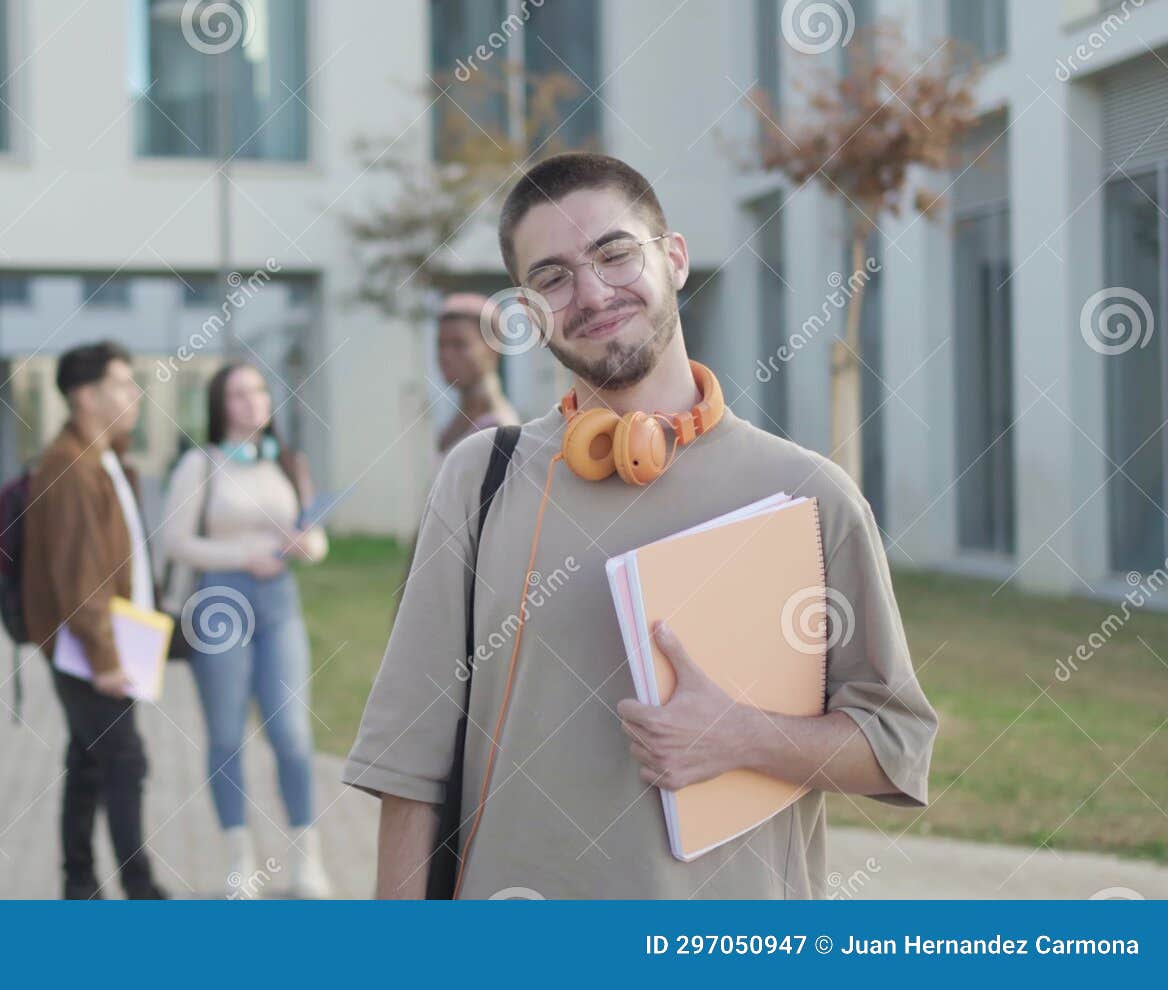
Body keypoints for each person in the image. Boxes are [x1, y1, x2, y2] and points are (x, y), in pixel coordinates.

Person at [344, 152, 939, 899]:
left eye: (614, 253)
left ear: (676, 258)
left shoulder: (807, 495)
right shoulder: (479, 478)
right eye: (553, 277)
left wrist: (744, 737)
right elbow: (410, 763)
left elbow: (896, 745)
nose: (591, 292)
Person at [160, 361, 333, 898]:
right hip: (219, 603)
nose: (252, 401)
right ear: (220, 405)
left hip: (279, 603)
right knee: (227, 735)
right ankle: (239, 861)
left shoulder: (287, 462)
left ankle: (308, 859)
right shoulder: (200, 465)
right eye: (238, 394)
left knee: (292, 735)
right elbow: (174, 541)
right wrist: (243, 552)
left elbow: (317, 537)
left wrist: (307, 545)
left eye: (259, 390)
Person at [22, 342, 166, 900]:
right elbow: (80, 575)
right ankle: (140, 889)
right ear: (85, 395)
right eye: (122, 384)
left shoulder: (102, 454)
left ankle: (79, 885)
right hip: (87, 646)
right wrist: (106, 660)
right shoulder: (71, 466)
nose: (135, 394)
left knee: (88, 763)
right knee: (125, 761)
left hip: (111, 636)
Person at [433, 292, 520, 461]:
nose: (445, 356)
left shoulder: (498, 431)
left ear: (492, 348)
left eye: (459, 344)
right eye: (441, 345)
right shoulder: (458, 422)